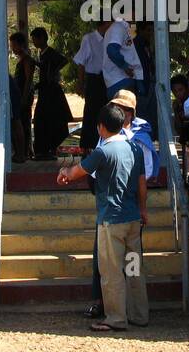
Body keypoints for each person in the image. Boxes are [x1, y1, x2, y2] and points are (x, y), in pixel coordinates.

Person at [57, 104, 148, 332]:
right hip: (133, 220)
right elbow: (141, 183)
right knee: (134, 268)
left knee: (111, 271)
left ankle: (116, 318)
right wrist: (143, 210)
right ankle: (139, 314)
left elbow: (77, 173)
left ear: (100, 127)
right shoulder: (134, 148)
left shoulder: (102, 151)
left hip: (111, 221)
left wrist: (64, 174)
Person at [30, 27, 70, 160]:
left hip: (50, 93)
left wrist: (53, 73)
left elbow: (63, 60)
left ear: (42, 39)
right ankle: (45, 149)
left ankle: (50, 149)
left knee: (49, 120)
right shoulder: (42, 54)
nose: (34, 42)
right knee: (43, 121)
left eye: (35, 39)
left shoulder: (50, 53)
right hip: (45, 91)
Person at [73, 21, 110, 152]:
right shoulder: (89, 39)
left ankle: (107, 145)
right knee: (91, 113)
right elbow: (81, 62)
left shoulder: (111, 38)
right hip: (94, 79)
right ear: (105, 23)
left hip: (108, 79)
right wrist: (80, 82)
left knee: (109, 113)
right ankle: (88, 147)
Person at [102, 14, 143, 100]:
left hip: (125, 79)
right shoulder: (118, 27)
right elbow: (112, 51)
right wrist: (125, 67)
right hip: (120, 80)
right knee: (125, 112)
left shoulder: (126, 27)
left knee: (128, 112)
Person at [10, 31, 36, 160]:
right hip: (20, 96)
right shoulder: (22, 59)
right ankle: (24, 151)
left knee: (23, 124)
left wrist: (24, 97)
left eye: (14, 45)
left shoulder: (27, 60)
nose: (12, 49)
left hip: (23, 97)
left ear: (20, 45)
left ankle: (24, 152)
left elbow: (28, 80)